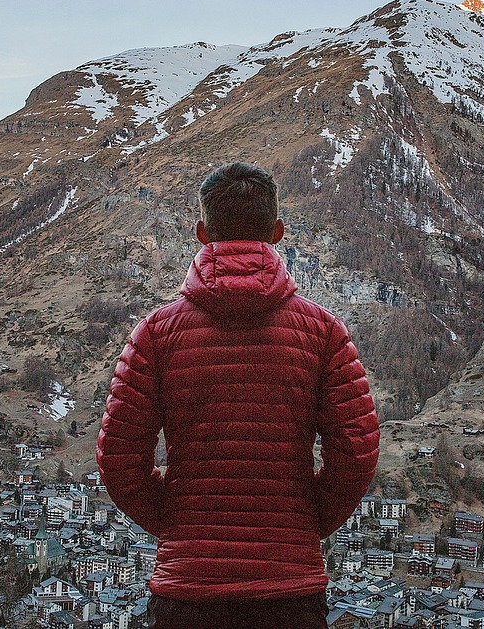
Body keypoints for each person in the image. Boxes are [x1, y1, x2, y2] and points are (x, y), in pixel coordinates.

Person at [97, 162, 379, 629]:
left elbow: (119, 459)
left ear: (202, 232)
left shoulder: (155, 334)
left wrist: (177, 523)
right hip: (290, 592)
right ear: (278, 231)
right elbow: (357, 453)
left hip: (188, 591)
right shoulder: (324, 333)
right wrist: (301, 525)